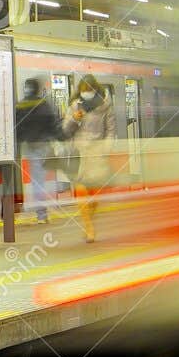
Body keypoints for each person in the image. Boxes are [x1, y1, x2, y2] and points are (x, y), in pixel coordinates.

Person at [63, 74, 114, 242]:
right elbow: (65, 130)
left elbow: (110, 130)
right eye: (83, 91)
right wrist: (74, 120)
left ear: (94, 90)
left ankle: (89, 220)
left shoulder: (105, 105)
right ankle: (89, 227)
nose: (86, 94)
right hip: (80, 151)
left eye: (88, 91)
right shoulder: (75, 105)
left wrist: (106, 149)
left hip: (97, 153)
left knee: (95, 194)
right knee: (82, 191)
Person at [15, 77, 65, 224]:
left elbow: (18, 128)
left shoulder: (20, 106)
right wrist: (62, 138)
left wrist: (19, 142)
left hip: (31, 146)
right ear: (38, 89)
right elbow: (54, 125)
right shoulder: (45, 105)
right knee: (53, 171)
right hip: (46, 145)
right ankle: (59, 190)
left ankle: (41, 214)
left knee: (37, 181)